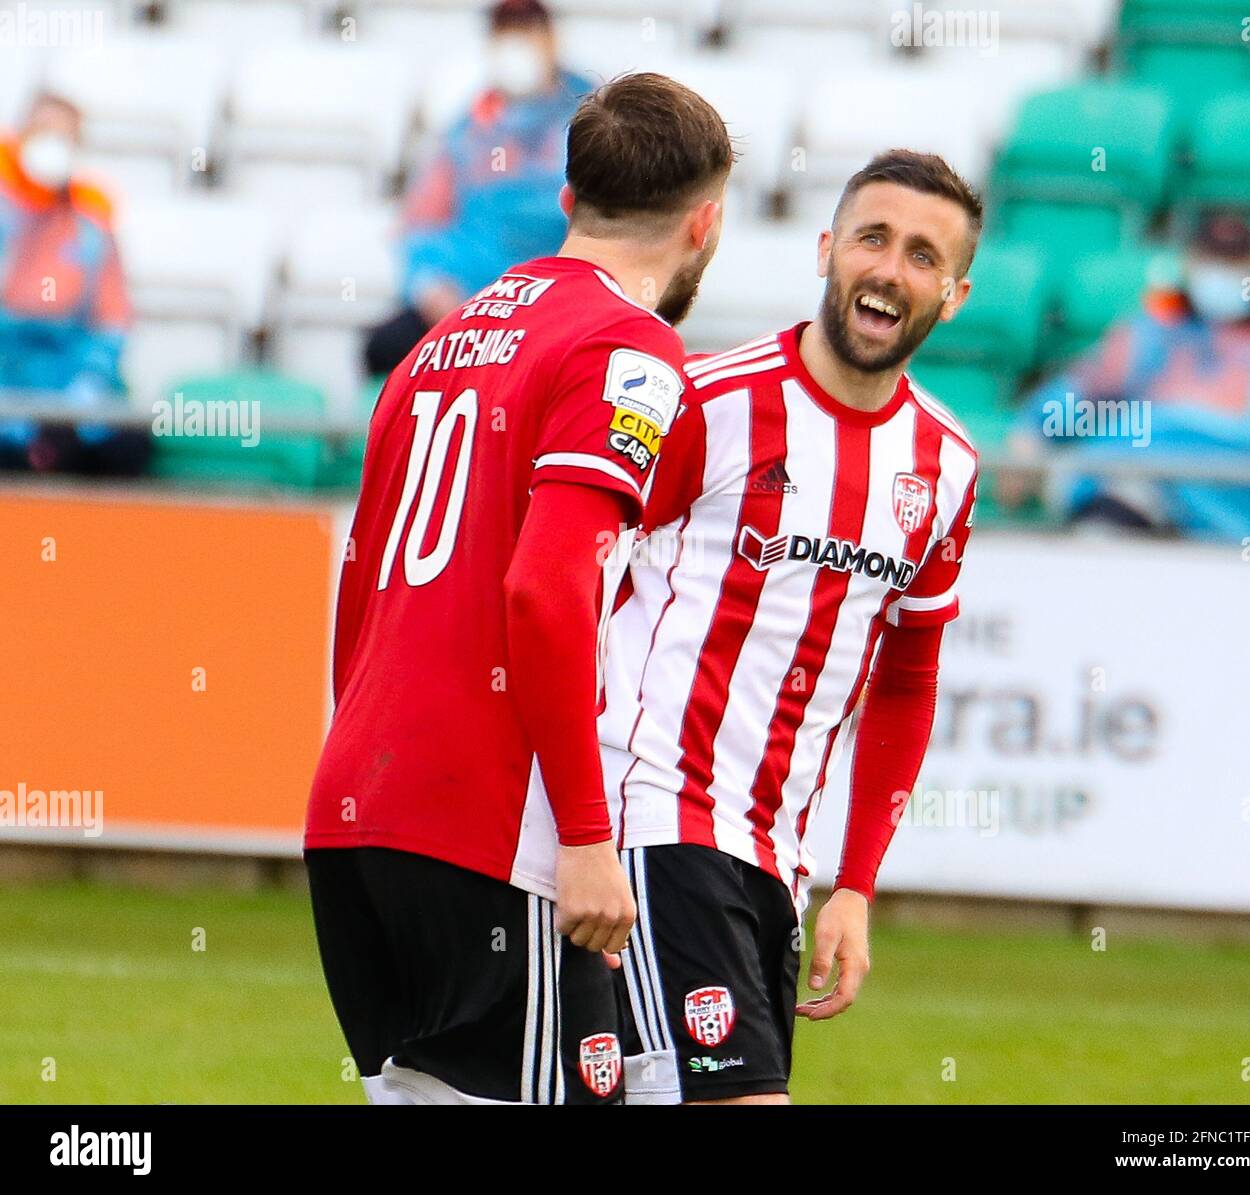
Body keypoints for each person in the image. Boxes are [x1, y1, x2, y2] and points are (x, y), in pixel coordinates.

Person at [304, 72, 733, 1106]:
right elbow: (547, 591)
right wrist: (587, 838)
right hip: (495, 825)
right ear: (707, 222)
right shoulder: (627, 351)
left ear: (566, 199)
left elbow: (359, 589)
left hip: (361, 808)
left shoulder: (437, 346)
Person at [592, 150, 982, 1104]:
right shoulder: (706, 403)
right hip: (654, 819)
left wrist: (854, 883)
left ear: (954, 296)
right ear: (826, 249)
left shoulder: (947, 466)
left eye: (924, 255)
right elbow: (580, 582)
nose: (892, 268)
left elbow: (906, 677)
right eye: (874, 238)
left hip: (778, 861)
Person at [1006, 210, 1250, 541]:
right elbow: (1068, 402)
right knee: (1111, 518)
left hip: (1227, 519)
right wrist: (1031, 435)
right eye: (1213, 259)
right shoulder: (1149, 334)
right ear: (1190, 264)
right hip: (1129, 494)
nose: (1223, 274)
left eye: (1234, 262)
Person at [364, 0, 592, 376]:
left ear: (552, 39)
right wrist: (431, 288)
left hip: (557, 305)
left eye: (526, 31)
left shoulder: (591, 118)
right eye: (505, 33)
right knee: (388, 347)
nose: (515, 45)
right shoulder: (466, 128)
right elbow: (421, 224)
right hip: (465, 303)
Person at [0, 92, 146, 476]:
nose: (52, 147)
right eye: (44, 132)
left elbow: (111, 325)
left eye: (65, 139)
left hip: (71, 405)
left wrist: (75, 408)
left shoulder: (91, 226)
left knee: (127, 447)